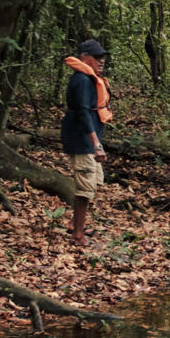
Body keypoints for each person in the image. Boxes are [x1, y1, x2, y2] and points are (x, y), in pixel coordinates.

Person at [61, 39, 113, 246]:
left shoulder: (90, 79)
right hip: (82, 141)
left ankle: (79, 227)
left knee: (92, 184)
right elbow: (82, 112)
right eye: (96, 57)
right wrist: (96, 143)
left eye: (103, 57)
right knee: (84, 188)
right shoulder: (81, 80)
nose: (101, 61)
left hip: (89, 140)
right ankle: (77, 235)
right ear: (84, 57)